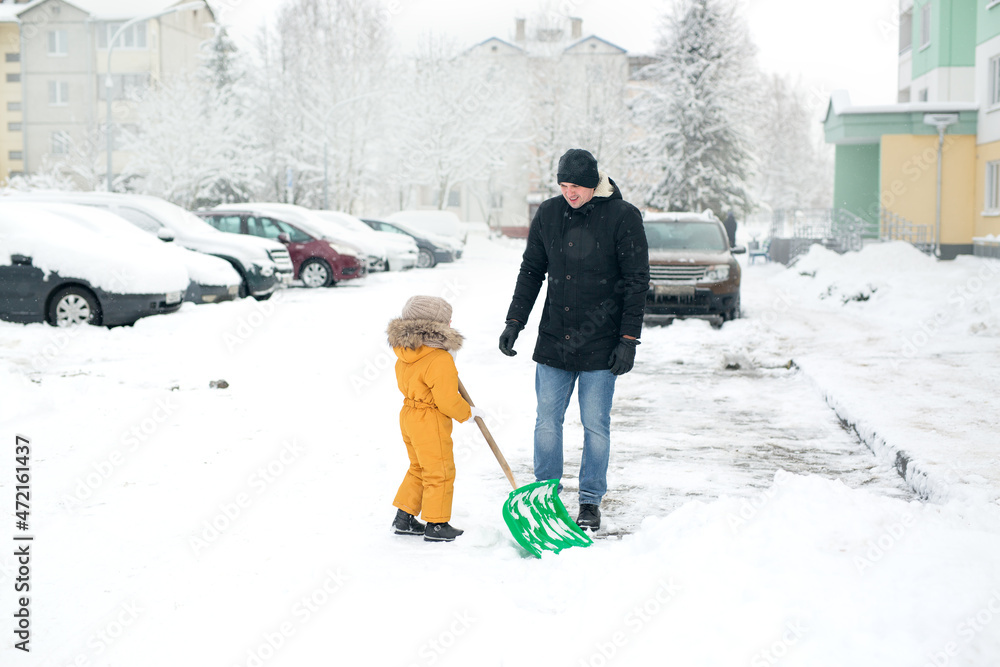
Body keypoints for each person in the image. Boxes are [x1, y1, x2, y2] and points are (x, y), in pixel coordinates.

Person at [498, 148, 649, 532]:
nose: (570, 193)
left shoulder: (623, 217)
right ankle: (544, 496)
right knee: (547, 422)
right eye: (563, 186)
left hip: (603, 342)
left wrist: (629, 339)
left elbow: (636, 283)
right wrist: (515, 321)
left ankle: (589, 501)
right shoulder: (549, 213)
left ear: (594, 183)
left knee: (595, 424)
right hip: (554, 338)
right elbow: (531, 271)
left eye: (576, 187)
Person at [387, 295, 484, 542]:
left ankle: (404, 518)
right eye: (447, 320)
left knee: (419, 468)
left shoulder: (405, 352)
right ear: (434, 325)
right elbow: (447, 400)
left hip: (409, 416)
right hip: (430, 420)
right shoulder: (439, 359)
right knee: (439, 471)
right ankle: (437, 524)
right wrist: (469, 414)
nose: (451, 324)